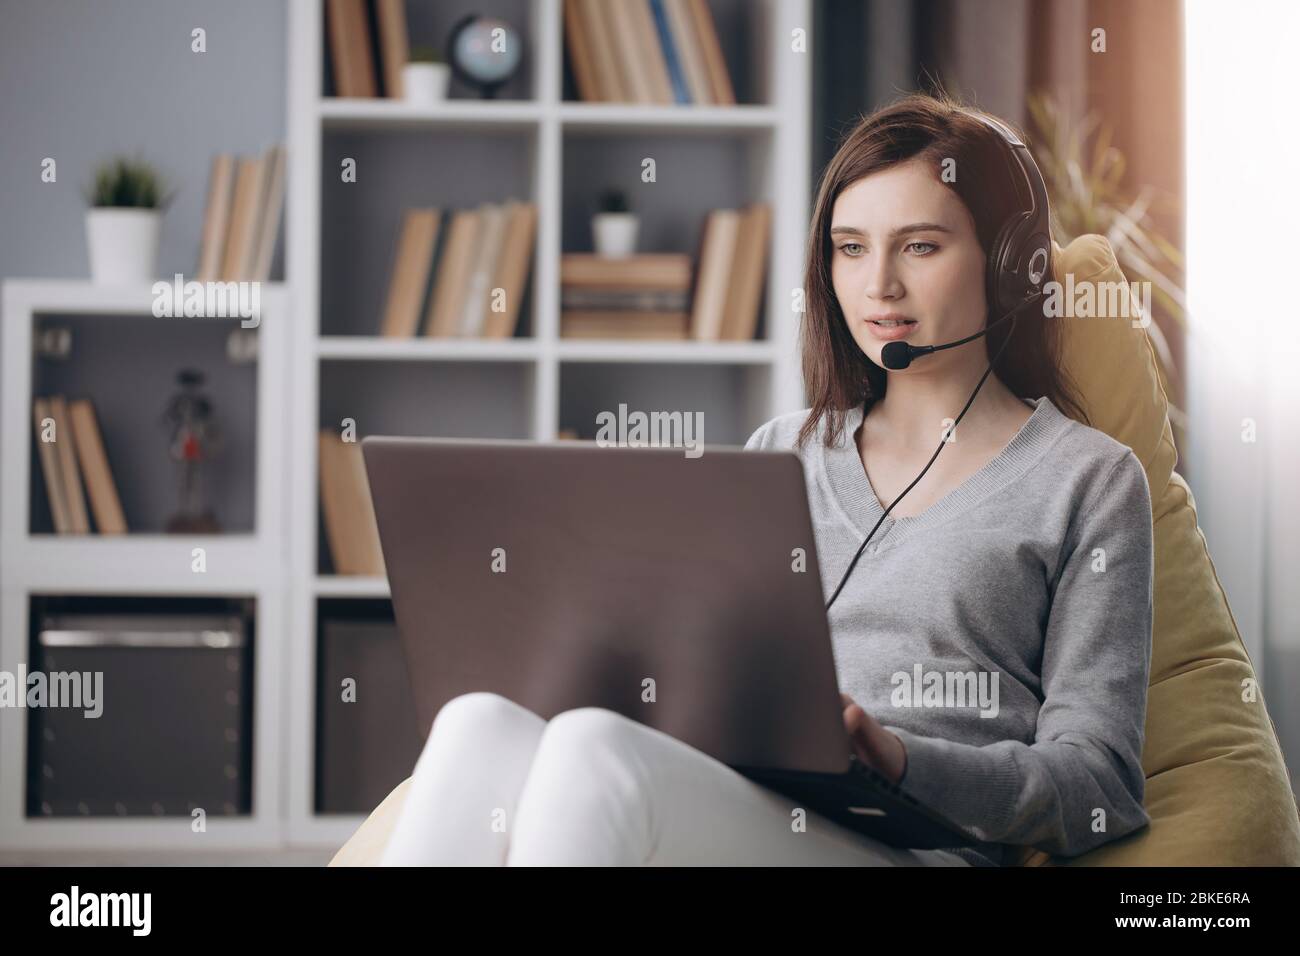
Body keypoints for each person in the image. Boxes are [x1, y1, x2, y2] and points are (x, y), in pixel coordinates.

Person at [379, 91, 1154, 867]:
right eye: (851, 248)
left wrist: (902, 761)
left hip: (914, 848)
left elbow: (1100, 785)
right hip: (744, 807)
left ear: (1009, 264)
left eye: (919, 246)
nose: (878, 284)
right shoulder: (782, 452)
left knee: (593, 751)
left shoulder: (1089, 480)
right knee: (477, 721)